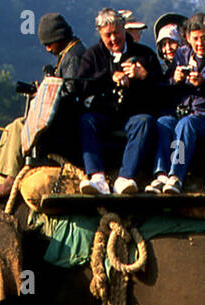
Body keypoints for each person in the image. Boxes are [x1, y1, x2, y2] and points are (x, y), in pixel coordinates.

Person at [0, 12, 90, 193]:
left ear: (59, 37)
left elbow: (71, 93)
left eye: (49, 44)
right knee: (12, 127)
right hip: (62, 120)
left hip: (66, 125)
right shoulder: (69, 54)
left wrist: (47, 95)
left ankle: (10, 178)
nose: (48, 49)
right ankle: (2, 179)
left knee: (18, 126)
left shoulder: (74, 56)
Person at [147, 12, 205, 194]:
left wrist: (204, 85)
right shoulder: (181, 55)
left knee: (185, 125)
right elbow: (165, 86)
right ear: (187, 38)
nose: (200, 43)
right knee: (164, 123)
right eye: (195, 38)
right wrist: (175, 79)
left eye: (204, 38)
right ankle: (161, 174)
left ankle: (176, 176)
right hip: (180, 113)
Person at [78, 8, 162, 194]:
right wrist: (109, 77)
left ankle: (125, 178)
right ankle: (97, 177)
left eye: (117, 33)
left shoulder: (145, 54)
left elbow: (162, 89)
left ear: (124, 29)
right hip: (103, 115)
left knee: (145, 121)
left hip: (133, 116)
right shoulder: (92, 55)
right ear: (100, 34)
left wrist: (143, 76)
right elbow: (82, 86)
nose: (114, 39)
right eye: (108, 35)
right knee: (86, 120)